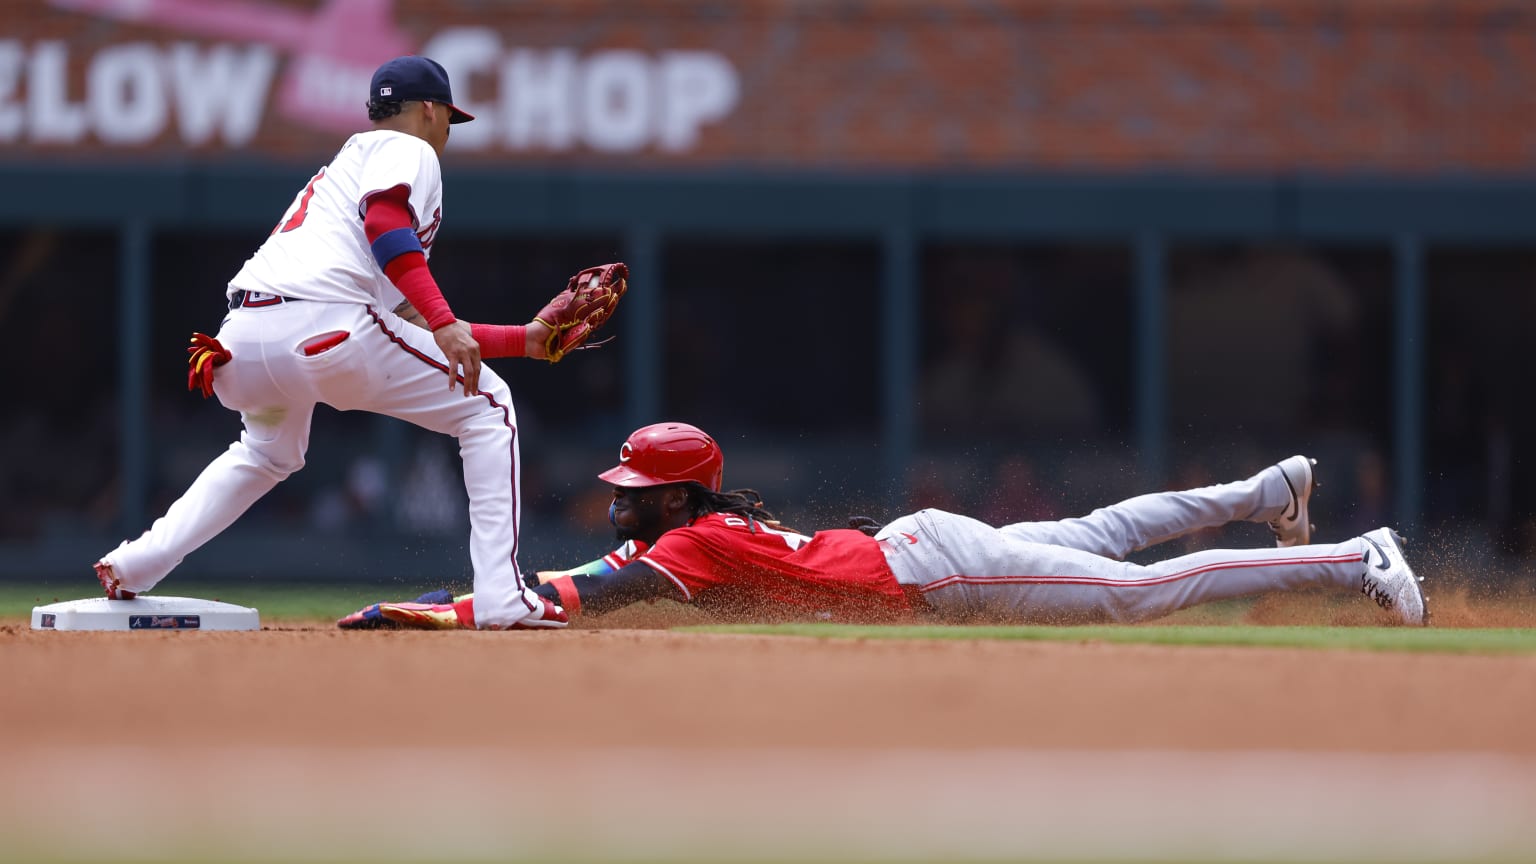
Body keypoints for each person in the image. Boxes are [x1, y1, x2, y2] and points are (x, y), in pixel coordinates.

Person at [92, 55, 619, 630]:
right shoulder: (407, 149)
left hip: (240, 346)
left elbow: (410, 322)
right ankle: (501, 596)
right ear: (429, 109)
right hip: (326, 328)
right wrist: (445, 320)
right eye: (449, 117)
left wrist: (528, 341)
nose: (448, 131)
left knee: (266, 454)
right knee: (490, 410)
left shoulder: (345, 170)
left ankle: (134, 563)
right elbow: (387, 226)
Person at [338, 422, 1429, 629]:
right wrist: (446, 601)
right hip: (921, 548)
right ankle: (1269, 487)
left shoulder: (689, 543)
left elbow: (581, 597)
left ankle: (1353, 556)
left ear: (674, 498)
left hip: (938, 573)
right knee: (1100, 533)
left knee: (1134, 589)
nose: (617, 498)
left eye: (633, 488)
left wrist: (441, 615)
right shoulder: (685, 532)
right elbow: (565, 577)